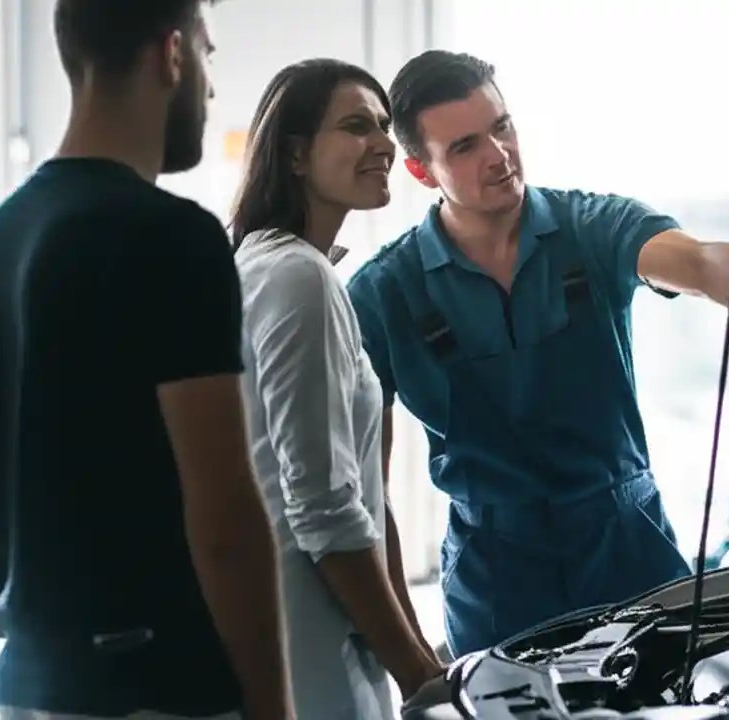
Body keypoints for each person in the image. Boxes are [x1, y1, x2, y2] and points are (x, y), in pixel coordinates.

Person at [346, 50, 729, 658]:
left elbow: (701, 263)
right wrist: (406, 650)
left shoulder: (592, 226)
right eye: (464, 147)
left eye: (502, 127)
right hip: (495, 574)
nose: (498, 155)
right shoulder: (384, 294)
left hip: (627, 547)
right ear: (422, 172)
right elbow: (364, 496)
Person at [0, 1, 292, 718]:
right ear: (171, 54)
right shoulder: (168, 237)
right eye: (209, 56)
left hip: (31, 680)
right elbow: (225, 519)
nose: (211, 88)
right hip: (157, 685)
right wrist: (275, 708)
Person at [228, 58, 443, 718]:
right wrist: (418, 677)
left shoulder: (276, 267)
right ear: (294, 155)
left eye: (383, 126)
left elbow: (369, 502)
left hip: (310, 637)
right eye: (355, 127)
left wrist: (421, 657)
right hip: (314, 648)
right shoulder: (297, 277)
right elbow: (323, 504)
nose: (382, 143)